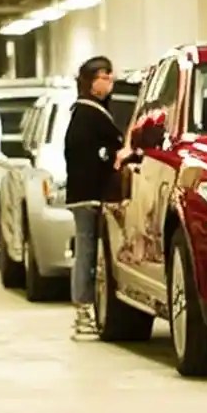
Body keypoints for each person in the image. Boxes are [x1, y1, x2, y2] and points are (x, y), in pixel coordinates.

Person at [64, 56, 122, 339]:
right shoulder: (89, 114)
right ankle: (83, 311)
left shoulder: (91, 111)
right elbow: (106, 150)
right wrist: (116, 156)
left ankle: (86, 309)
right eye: (104, 76)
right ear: (90, 81)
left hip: (85, 195)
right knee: (86, 254)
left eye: (110, 76)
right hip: (88, 197)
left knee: (89, 253)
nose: (109, 81)